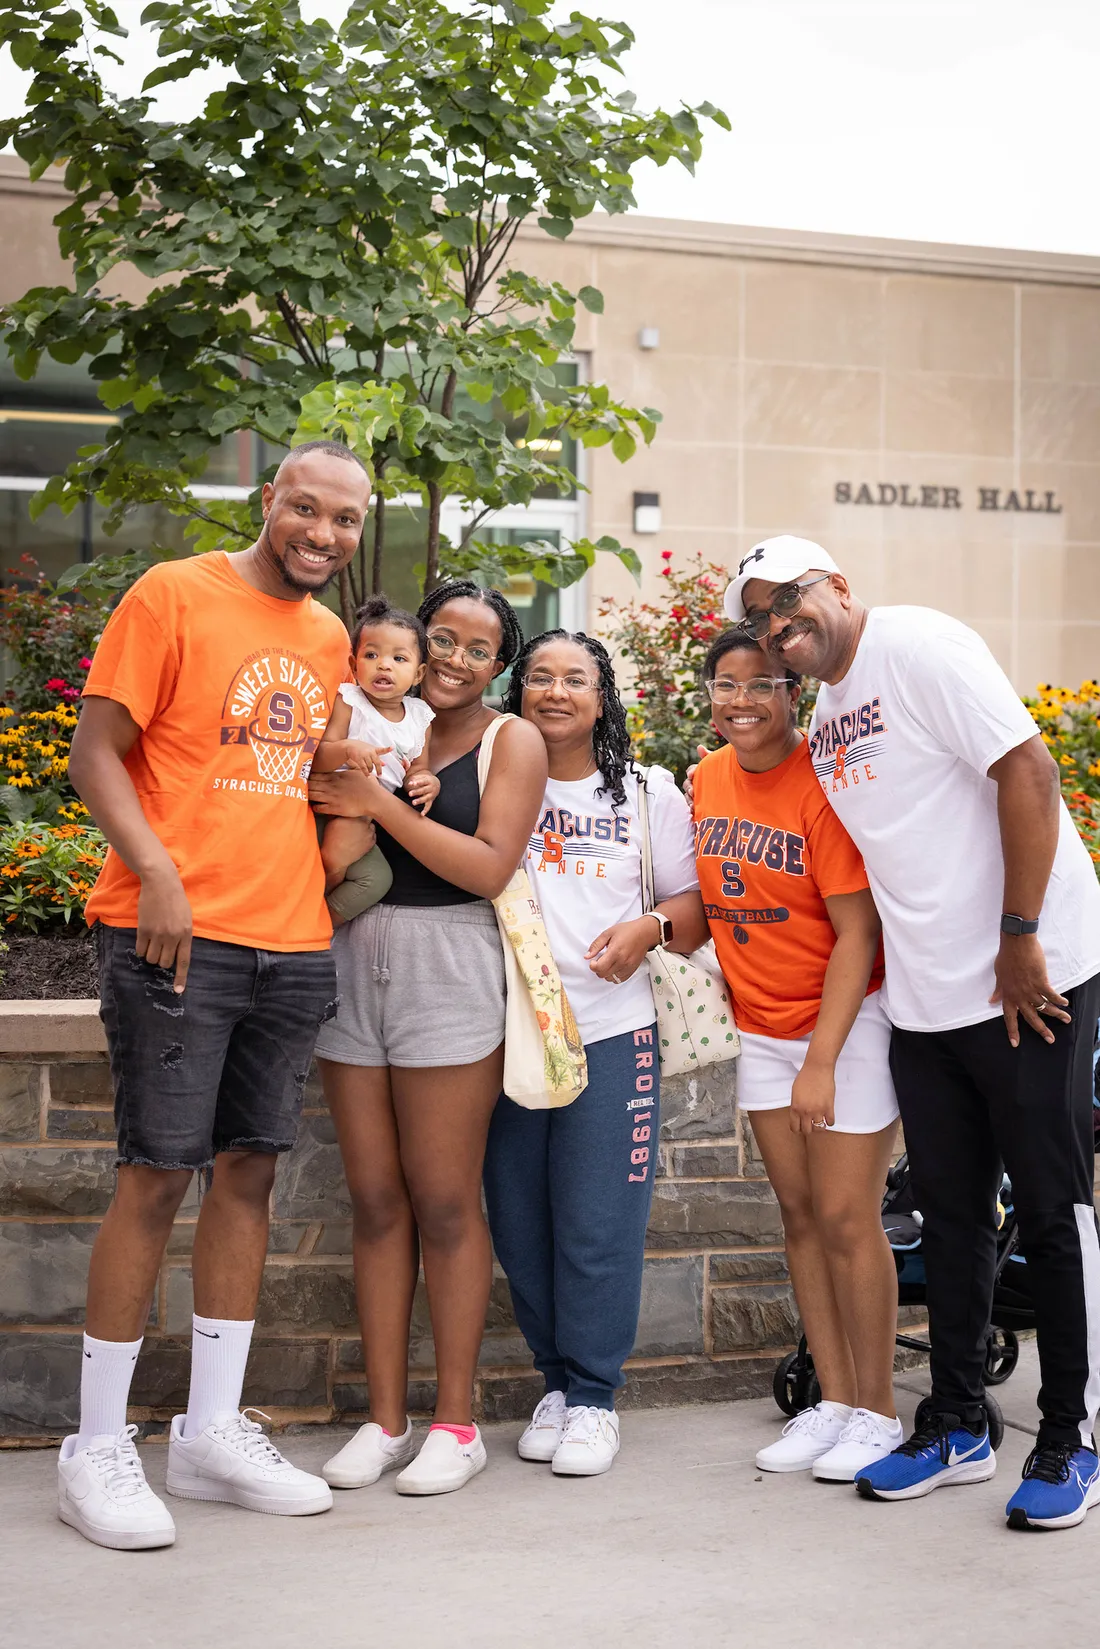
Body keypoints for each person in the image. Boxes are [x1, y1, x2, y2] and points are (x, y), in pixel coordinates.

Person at [726, 533, 1100, 1530]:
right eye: (761, 616)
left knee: (1052, 1211)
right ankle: (956, 1424)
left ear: (837, 585)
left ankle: (1072, 1433)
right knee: (949, 1215)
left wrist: (1019, 936)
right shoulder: (833, 703)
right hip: (925, 997)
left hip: (1027, 975)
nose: (777, 623)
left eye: (789, 598)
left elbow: (1027, 772)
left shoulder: (919, 644)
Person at [60, 441, 371, 1551]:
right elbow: (97, 752)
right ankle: (96, 1442)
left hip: (292, 939)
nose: (322, 533)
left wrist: (381, 780)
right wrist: (155, 872)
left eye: (342, 518)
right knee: (154, 1177)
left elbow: (313, 768)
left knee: (248, 1176)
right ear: (267, 502)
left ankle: (203, 1429)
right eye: (305, 508)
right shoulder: (172, 593)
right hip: (177, 936)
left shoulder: (329, 636)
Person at [309, 581, 547, 1497]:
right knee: (374, 1199)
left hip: (450, 963)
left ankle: (456, 1420)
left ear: (499, 665)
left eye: (477, 649)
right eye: (440, 637)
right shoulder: (369, 715)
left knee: (445, 1199)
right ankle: (383, 1419)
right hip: (350, 957)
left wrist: (376, 801)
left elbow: (489, 867)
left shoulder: (507, 739)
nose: (452, 657)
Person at [482, 630, 708, 1477]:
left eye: (576, 678)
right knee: (518, 1217)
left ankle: (594, 1396)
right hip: (508, 1035)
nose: (555, 691)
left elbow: (693, 906)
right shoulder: (494, 776)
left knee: (598, 1222)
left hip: (613, 1030)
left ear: (603, 697)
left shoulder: (646, 792)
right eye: (538, 675)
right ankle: (554, 1381)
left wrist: (651, 926)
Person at [692, 626, 901, 1481]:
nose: (742, 700)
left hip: (844, 1026)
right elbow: (707, 902)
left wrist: (822, 1058)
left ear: (792, 692)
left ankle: (882, 1412)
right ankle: (836, 1400)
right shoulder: (704, 778)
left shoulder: (822, 778)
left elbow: (858, 930)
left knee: (850, 1217)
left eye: (762, 684)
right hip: (763, 1029)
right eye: (726, 684)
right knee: (800, 1214)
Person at [311, 594, 439, 922]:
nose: (384, 665)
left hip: (364, 818)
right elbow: (316, 758)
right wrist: (347, 749)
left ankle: (322, 926)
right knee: (314, 861)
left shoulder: (419, 717)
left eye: (399, 659)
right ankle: (300, 920)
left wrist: (427, 781)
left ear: (419, 673)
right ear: (354, 666)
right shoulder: (350, 702)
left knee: (377, 880)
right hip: (324, 811)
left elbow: (418, 767)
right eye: (371, 655)